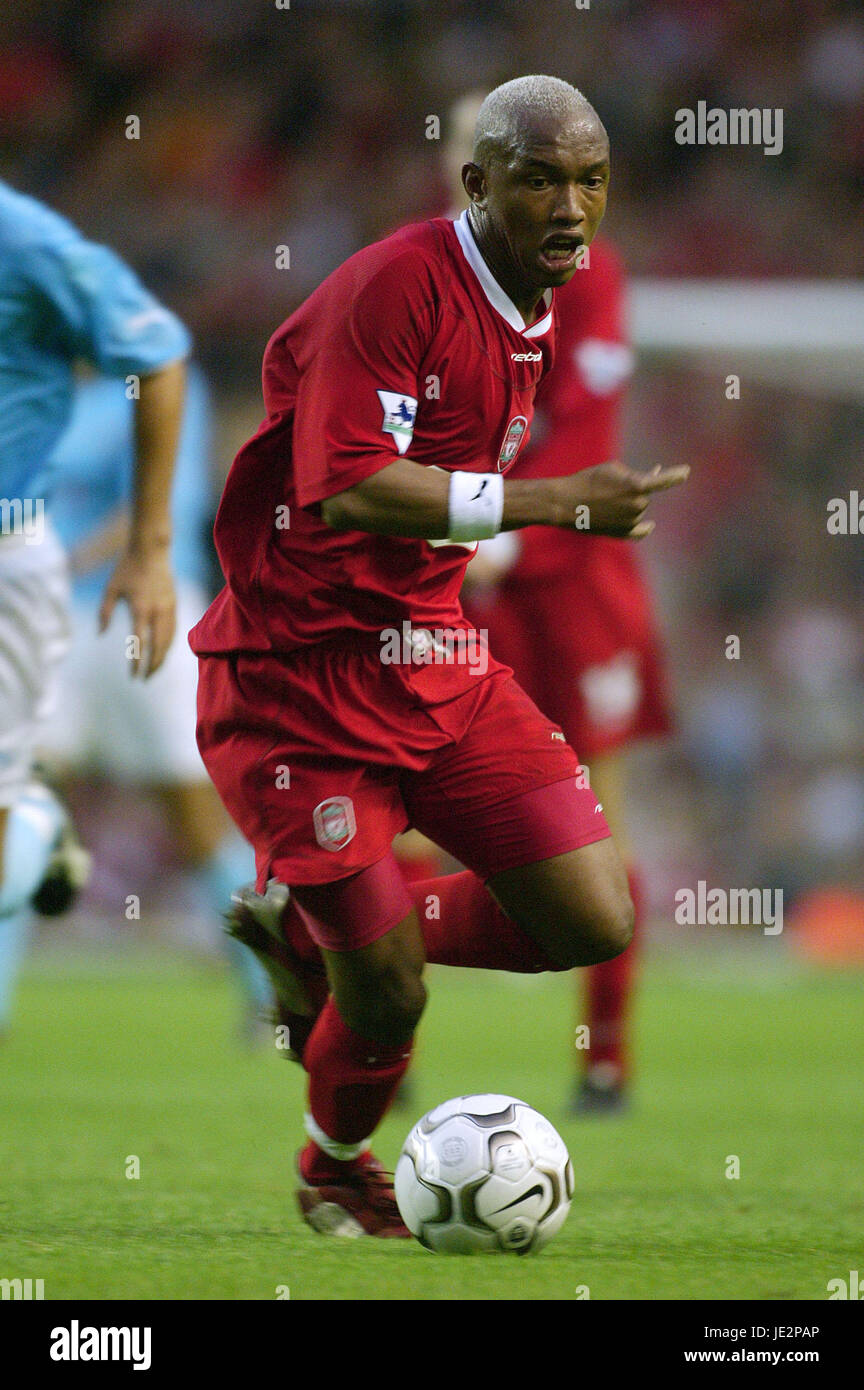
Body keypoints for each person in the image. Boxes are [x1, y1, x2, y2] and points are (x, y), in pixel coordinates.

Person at [190, 75, 688, 1237]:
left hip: (436, 657)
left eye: (590, 180)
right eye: (538, 179)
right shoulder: (396, 287)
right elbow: (355, 487)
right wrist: (552, 503)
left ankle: (331, 928)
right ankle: (334, 1164)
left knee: (592, 916)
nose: (570, 205)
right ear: (476, 184)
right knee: (389, 989)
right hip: (293, 676)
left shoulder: (536, 300)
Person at [453, 102, 673, 1115]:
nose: (553, 197)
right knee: (419, 803)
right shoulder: (437, 280)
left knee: (596, 816)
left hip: (572, 587)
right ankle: (370, 1012)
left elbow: (583, 426)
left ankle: (606, 1058)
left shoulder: (590, 271)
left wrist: (508, 529)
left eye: (566, 175)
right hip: (469, 574)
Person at [0, 178, 188, 1034]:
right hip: (47, 585)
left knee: (193, 806)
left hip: (33, 564)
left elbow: (156, 358)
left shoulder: (26, 239)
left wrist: (147, 553)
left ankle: (31, 830)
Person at [38, 368, 270, 1035]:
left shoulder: (157, 376)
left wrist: (52, 557)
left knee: (195, 818)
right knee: (18, 807)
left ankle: (271, 990)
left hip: (145, 611)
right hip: (42, 621)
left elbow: (155, 505)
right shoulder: (26, 382)